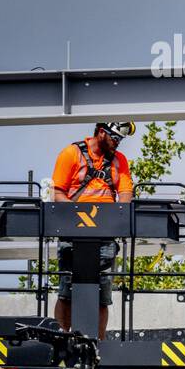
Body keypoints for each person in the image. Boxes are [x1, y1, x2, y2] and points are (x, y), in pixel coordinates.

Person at [50, 121, 136, 339]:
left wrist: (118, 216)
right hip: (73, 235)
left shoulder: (119, 161)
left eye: (120, 139)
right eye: (114, 138)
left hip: (105, 237)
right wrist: (83, 216)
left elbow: (125, 195)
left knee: (102, 294)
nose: (117, 143)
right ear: (100, 132)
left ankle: (98, 344)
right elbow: (57, 194)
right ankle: (62, 340)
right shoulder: (71, 154)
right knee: (67, 291)